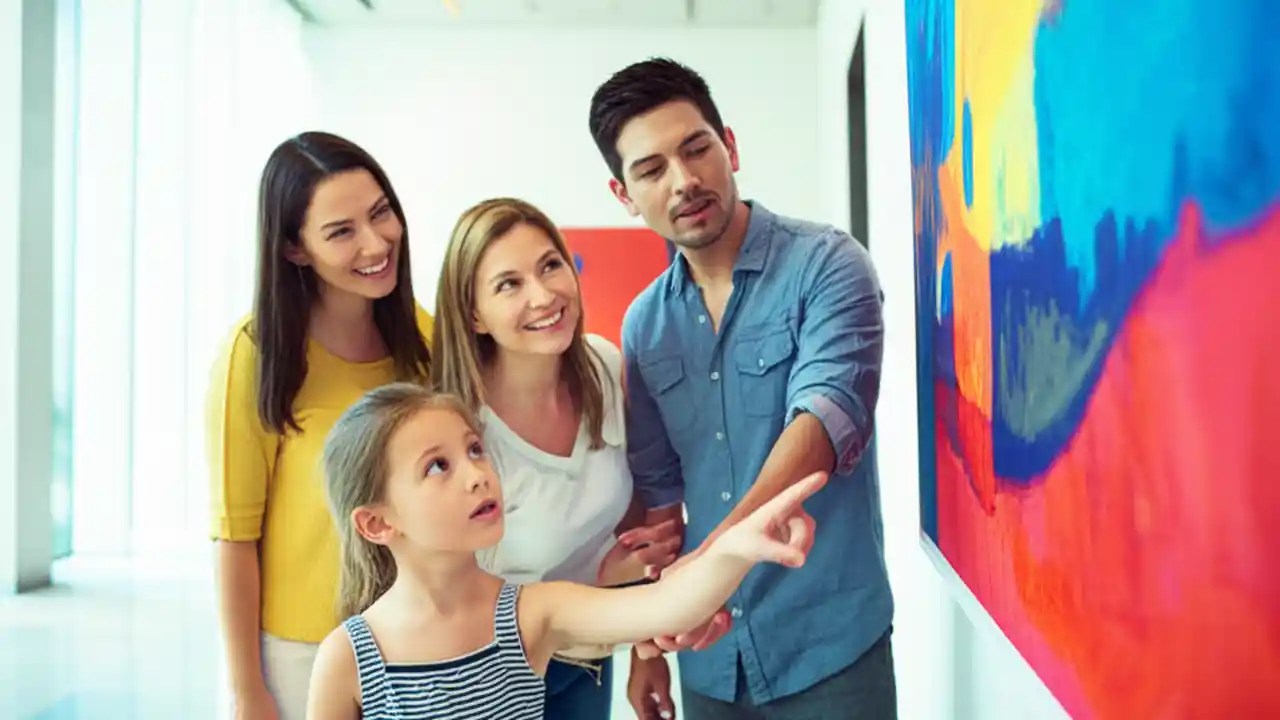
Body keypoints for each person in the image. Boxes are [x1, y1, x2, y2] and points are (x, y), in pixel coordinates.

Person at [587, 57, 897, 718]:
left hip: (830, 646)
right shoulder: (644, 323)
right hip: (711, 663)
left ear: (729, 146)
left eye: (696, 149)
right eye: (651, 169)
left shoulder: (828, 265)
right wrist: (648, 646)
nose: (684, 180)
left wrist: (703, 576)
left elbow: (820, 428)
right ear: (623, 194)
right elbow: (659, 501)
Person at [304, 382, 828, 720]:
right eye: (437, 466)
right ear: (376, 523)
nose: (477, 475)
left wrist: (735, 547)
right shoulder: (348, 658)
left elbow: (668, 605)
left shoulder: (532, 612)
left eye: (474, 450)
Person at [206, 131, 434, 720]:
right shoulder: (255, 354)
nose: (376, 242)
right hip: (297, 654)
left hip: (413, 645)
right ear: (294, 249)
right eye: (341, 232)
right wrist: (246, 689)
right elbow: (235, 536)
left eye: (381, 213)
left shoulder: (425, 339)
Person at [431, 197, 683, 717]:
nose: (544, 296)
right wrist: (603, 591)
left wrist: (644, 645)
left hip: (589, 658)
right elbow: (454, 600)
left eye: (550, 266)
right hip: (491, 674)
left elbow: (633, 513)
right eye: (510, 284)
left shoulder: (602, 365)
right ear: (474, 315)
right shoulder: (457, 432)